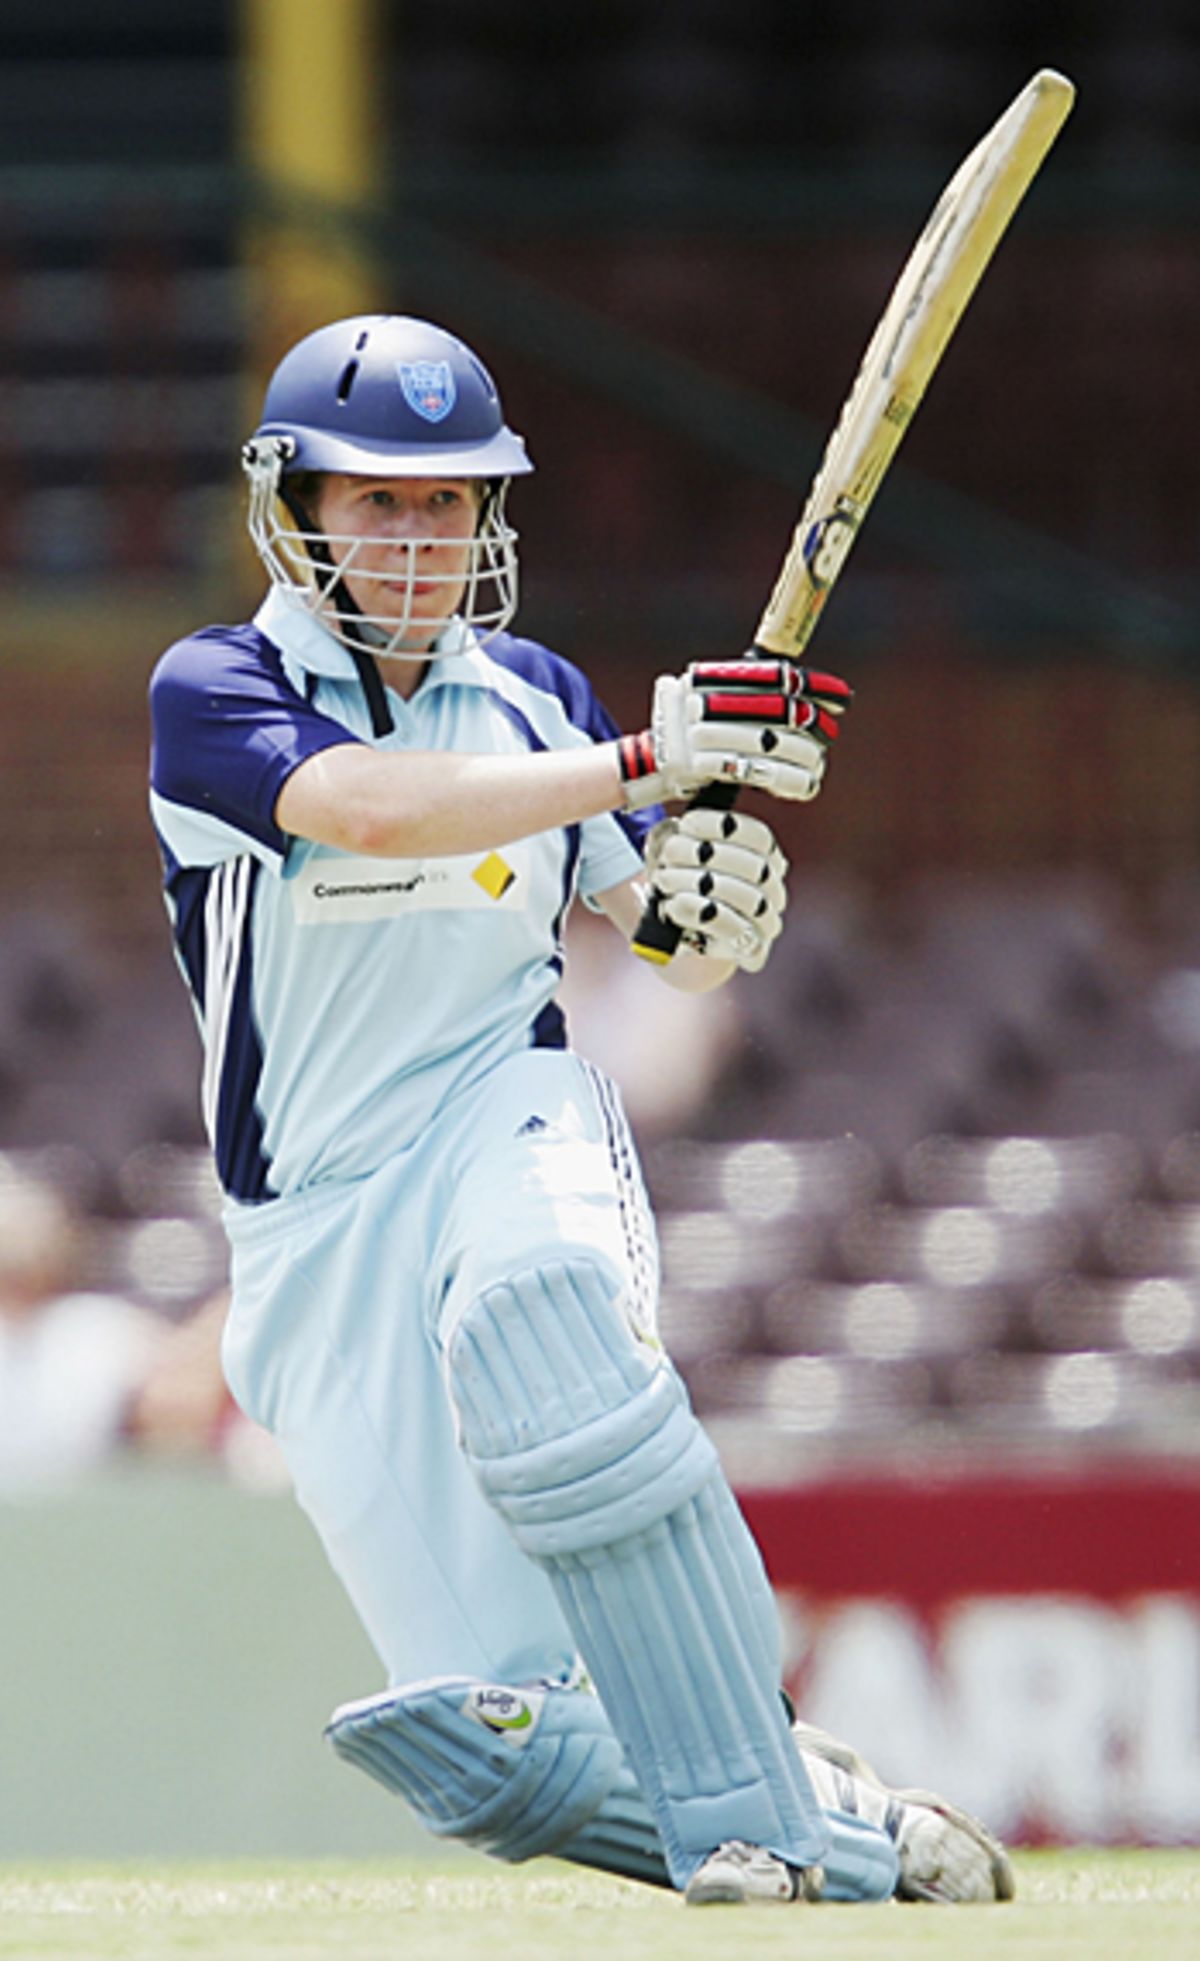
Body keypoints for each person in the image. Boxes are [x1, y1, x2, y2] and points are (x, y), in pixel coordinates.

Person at [148, 313, 1012, 1908]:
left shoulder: (534, 696)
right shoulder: (216, 687)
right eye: (378, 500)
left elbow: (666, 944)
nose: (419, 537)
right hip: (315, 1241)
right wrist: (643, 759)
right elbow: (367, 810)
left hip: (503, 1113)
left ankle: (748, 1782)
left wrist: (713, 898)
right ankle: (841, 1824)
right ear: (297, 505)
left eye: (447, 500)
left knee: (544, 1310)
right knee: (501, 1742)